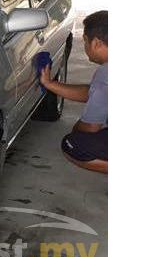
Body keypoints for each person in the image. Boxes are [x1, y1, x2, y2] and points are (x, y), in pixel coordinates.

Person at [40, 10, 108, 174]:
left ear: (96, 43)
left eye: (85, 41)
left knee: (73, 144)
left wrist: (76, 128)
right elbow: (90, 93)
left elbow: (91, 127)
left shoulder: (106, 77)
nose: (84, 47)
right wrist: (49, 84)